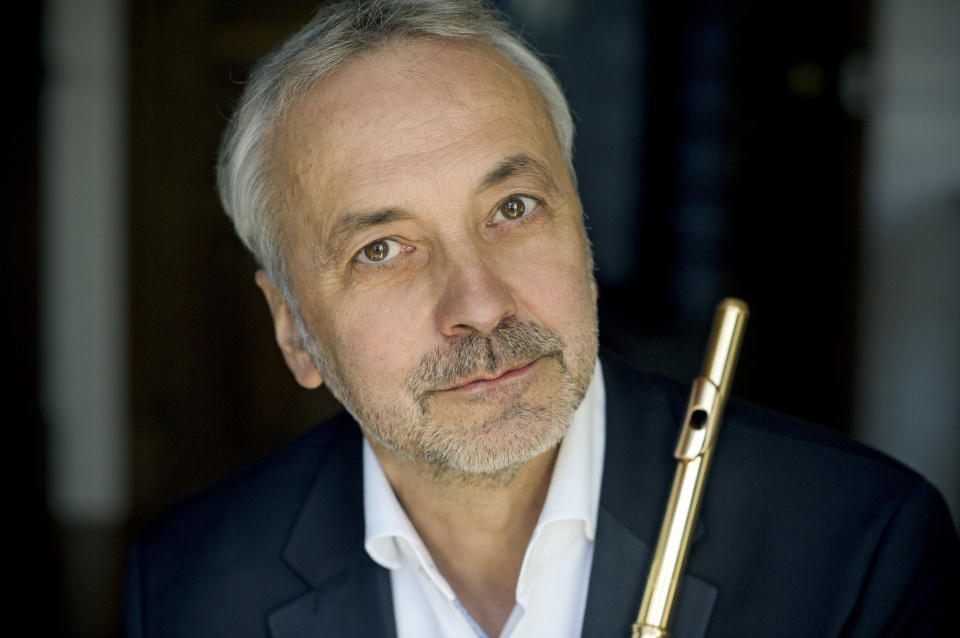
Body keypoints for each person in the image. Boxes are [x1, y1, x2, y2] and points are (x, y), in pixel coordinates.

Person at [121, 1, 959, 636]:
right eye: (381, 248)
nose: (480, 305)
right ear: (293, 329)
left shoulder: (863, 546)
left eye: (514, 207)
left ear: (581, 224)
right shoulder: (189, 587)